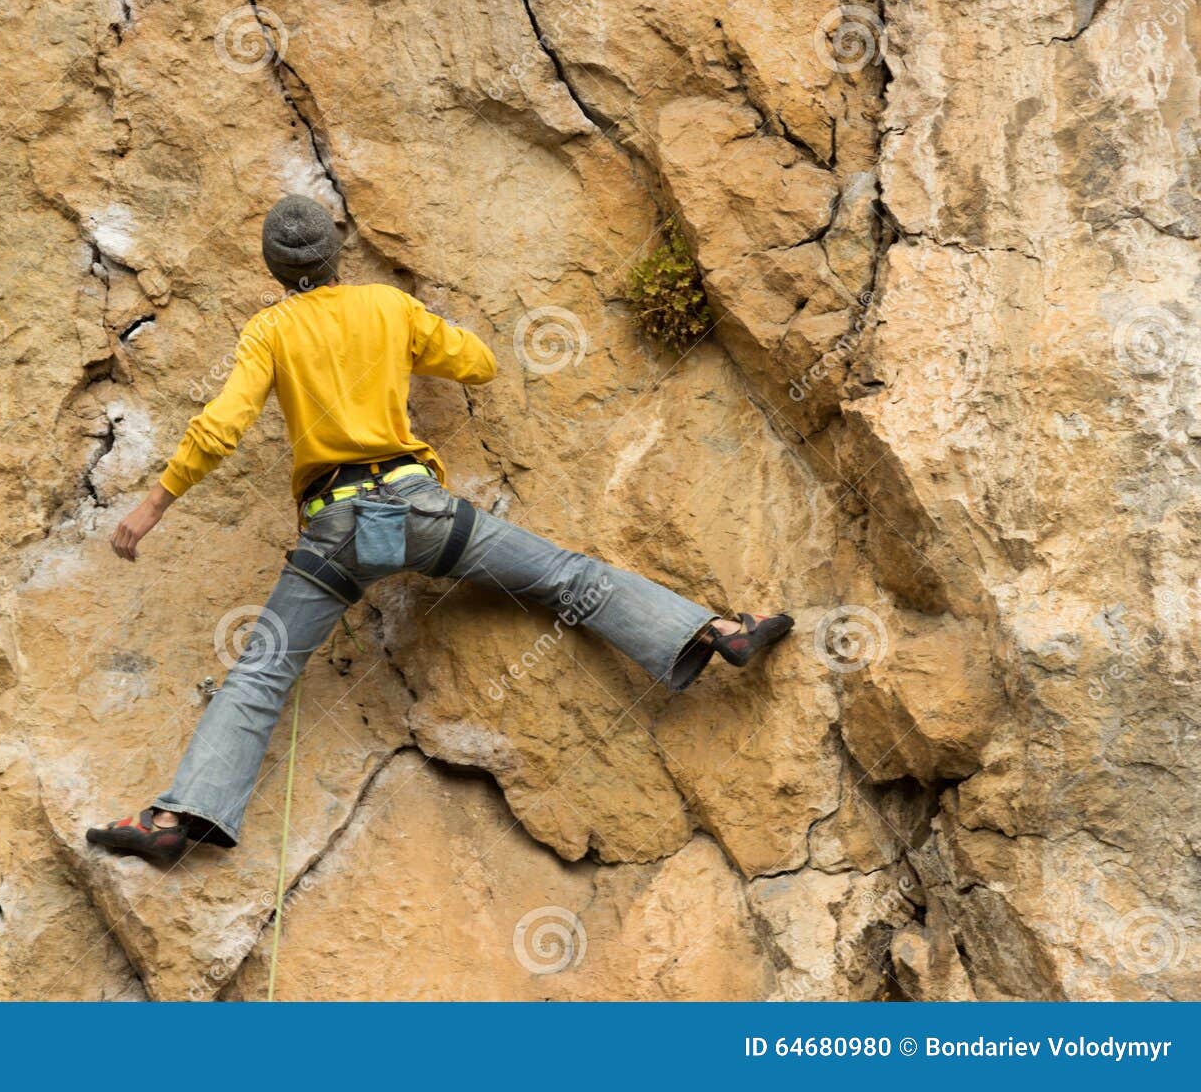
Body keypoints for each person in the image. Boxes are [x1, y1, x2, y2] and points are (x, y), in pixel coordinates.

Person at [87, 195, 792, 864]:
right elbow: (478, 363)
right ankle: (714, 630)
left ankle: (175, 821)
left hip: (338, 530)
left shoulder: (271, 329)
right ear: (337, 255)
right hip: (423, 513)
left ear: (276, 271)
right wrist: (407, 334)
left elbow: (221, 426)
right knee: (568, 577)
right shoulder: (387, 306)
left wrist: (151, 509)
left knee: (262, 670)